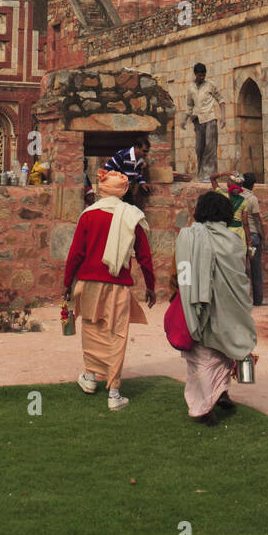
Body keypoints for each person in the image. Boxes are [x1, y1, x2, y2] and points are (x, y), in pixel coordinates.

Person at [62, 169, 156, 411]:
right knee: (116, 334)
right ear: (123, 190)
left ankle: (90, 377)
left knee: (92, 328)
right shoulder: (130, 216)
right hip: (118, 283)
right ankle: (113, 393)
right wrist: (151, 286)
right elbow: (144, 255)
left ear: (102, 189)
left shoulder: (88, 216)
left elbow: (76, 254)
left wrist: (66, 283)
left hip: (89, 281)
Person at [172, 189, 257, 425]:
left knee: (203, 358)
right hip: (227, 310)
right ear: (226, 213)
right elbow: (240, 279)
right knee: (218, 352)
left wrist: (190, 295)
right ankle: (208, 403)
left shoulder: (188, 237)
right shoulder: (233, 241)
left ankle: (212, 399)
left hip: (199, 306)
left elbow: (183, 273)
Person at [180, 63, 225, 180]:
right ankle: (201, 175)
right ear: (196, 75)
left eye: (203, 76)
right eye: (200, 75)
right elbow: (189, 105)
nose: (202, 78)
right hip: (198, 120)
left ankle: (210, 175)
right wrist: (184, 120)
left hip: (210, 119)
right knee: (199, 149)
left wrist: (223, 117)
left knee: (210, 148)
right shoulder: (191, 88)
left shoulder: (210, 85)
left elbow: (221, 100)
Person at [102, 135, 151, 204]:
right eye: (144, 151)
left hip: (125, 189)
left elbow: (137, 173)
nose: (146, 154)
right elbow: (107, 168)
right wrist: (120, 181)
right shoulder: (122, 155)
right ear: (137, 148)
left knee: (129, 208)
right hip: (115, 189)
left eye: (147, 151)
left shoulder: (141, 159)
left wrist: (142, 182)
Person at [242, 172, 264, 306]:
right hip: (253, 235)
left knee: (241, 269)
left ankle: (242, 300)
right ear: (253, 185)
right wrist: (263, 235)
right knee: (256, 268)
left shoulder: (237, 197)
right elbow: (257, 219)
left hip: (240, 236)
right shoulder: (252, 199)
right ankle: (258, 299)